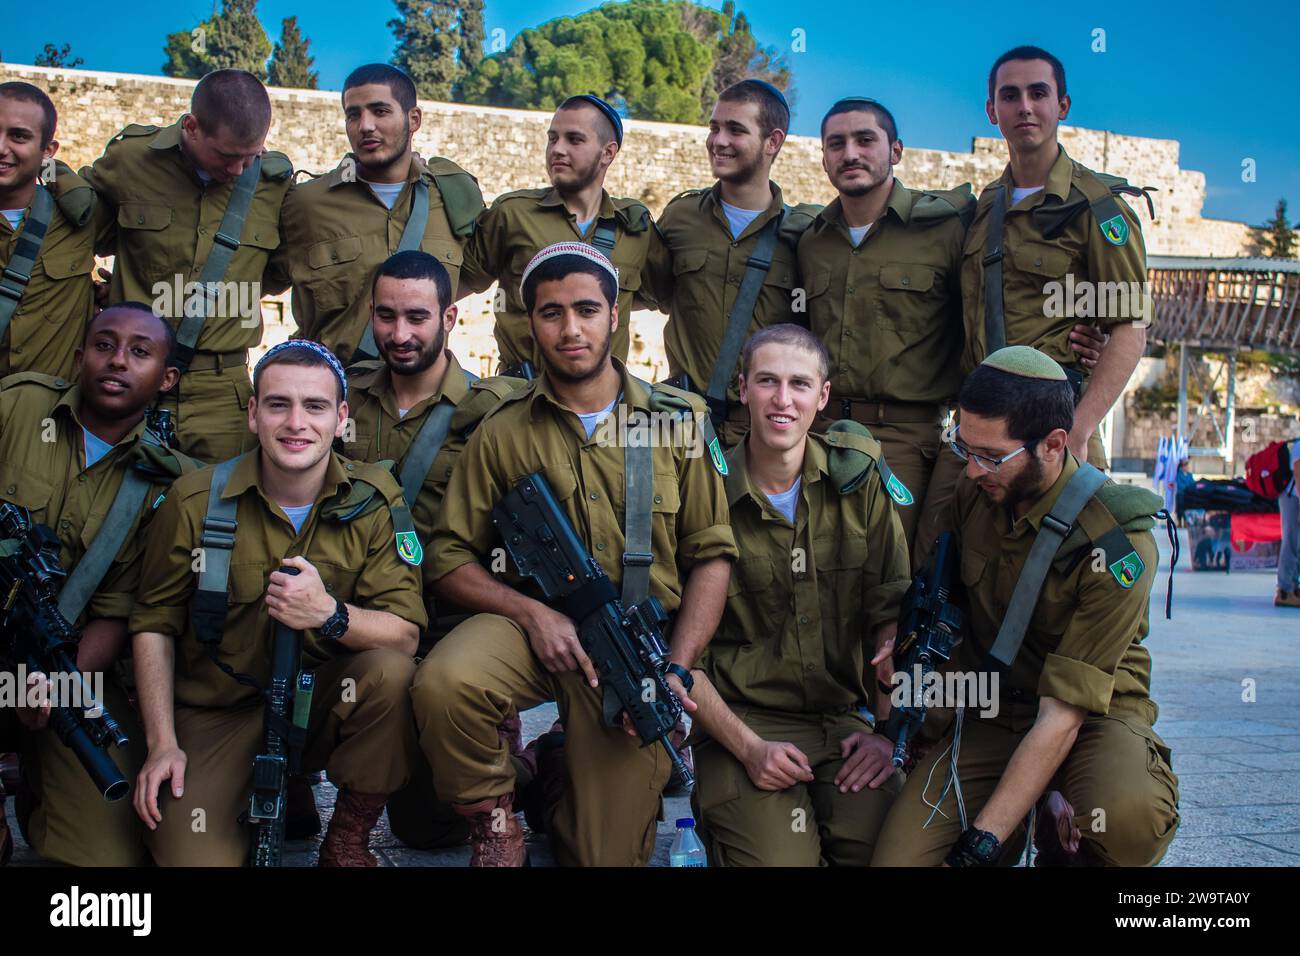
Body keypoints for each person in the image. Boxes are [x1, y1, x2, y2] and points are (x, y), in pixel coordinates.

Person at [410, 242, 737, 866]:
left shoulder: (679, 421)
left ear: (617, 316)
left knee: (599, 857)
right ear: (530, 322)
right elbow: (448, 554)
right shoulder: (503, 429)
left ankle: (558, 770)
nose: (570, 329)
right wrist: (532, 615)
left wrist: (677, 667)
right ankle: (495, 816)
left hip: (635, 652)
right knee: (445, 682)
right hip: (537, 635)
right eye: (550, 312)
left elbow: (711, 557)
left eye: (587, 310)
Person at [872, 346, 1180, 867]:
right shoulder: (979, 491)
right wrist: (913, 704)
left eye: (990, 456)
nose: (971, 471)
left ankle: (1055, 830)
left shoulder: (1117, 545)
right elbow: (945, 610)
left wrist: (980, 844)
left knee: (1125, 821)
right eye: (963, 448)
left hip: (1090, 715)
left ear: (1054, 444)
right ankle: (1031, 808)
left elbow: (1063, 714)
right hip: (994, 708)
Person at [128, 341, 427, 866]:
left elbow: (404, 634)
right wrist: (162, 744)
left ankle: (348, 836)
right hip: (220, 712)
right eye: (277, 404)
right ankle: (241, 805)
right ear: (252, 412)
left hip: (321, 704)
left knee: (391, 673)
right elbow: (153, 623)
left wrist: (329, 614)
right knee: (193, 857)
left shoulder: (375, 500)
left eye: (314, 407)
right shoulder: (194, 501)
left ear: (339, 419)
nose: (295, 423)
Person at [687, 323, 910, 866]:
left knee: (898, 853)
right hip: (741, 723)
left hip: (843, 727)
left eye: (799, 384)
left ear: (823, 396)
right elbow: (678, 655)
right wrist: (747, 747)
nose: (782, 400)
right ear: (742, 389)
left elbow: (893, 617)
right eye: (767, 382)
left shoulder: (859, 486)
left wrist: (888, 735)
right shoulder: (704, 492)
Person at [918, 45, 1143, 557]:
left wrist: (1081, 433)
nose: (1025, 107)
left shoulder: (1097, 207)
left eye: (1038, 93)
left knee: (1062, 569)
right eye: (1010, 95)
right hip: (974, 431)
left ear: (1062, 105)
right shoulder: (981, 208)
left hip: (1053, 430)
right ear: (991, 110)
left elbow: (1129, 328)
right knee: (935, 563)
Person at [339, 249, 523, 849]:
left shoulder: (492, 413)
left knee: (428, 830)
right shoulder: (341, 400)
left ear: (449, 318)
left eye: (417, 317)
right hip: (355, 623)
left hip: (448, 626)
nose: (399, 334)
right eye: (386, 316)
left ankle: (526, 772)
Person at [1, 302, 189, 866]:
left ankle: (42, 792)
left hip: (70, 662)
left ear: (166, 378)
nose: (118, 361)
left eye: (140, 352)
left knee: (107, 857)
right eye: (105, 345)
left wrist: (54, 682)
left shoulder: (171, 485)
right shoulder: (17, 405)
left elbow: (125, 610)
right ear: (80, 355)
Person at [81, 69, 294, 462]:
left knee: (217, 512)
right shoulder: (130, 162)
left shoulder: (273, 184)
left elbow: (275, 271)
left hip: (221, 393)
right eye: (228, 156)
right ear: (192, 127)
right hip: (128, 377)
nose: (238, 170)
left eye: (252, 156)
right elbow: (77, 231)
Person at [797, 96, 971, 557]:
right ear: (824, 158)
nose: (849, 153)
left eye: (864, 140)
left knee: (896, 576)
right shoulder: (811, 240)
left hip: (905, 440)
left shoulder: (946, 230)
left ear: (895, 150)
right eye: (836, 143)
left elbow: (987, 311)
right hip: (820, 432)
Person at [643, 80, 818, 446]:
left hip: (762, 436)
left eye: (735, 130)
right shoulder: (680, 216)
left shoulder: (806, 234)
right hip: (682, 428)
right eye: (714, 128)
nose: (718, 141)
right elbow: (641, 289)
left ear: (773, 141)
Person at [273, 63, 484, 366]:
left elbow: (475, 275)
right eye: (353, 114)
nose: (365, 126)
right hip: (337, 399)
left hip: (422, 402)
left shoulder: (452, 201)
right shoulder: (305, 205)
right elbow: (255, 274)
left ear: (414, 119)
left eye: (380, 111)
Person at [458, 96, 653, 377]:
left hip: (601, 409)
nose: (557, 149)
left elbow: (669, 296)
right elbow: (451, 286)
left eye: (574, 140)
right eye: (553, 139)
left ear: (608, 153)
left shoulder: (635, 229)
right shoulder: (513, 215)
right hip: (522, 400)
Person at [0, 81, 99, 382]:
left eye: (18, 136)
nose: (1, 148)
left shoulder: (82, 217)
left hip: (47, 421)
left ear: (48, 151)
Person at [1275, 436, 1300, 608]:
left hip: (1295, 498)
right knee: (1291, 543)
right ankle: (1284, 591)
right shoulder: (1299, 446)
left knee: (1297, 544)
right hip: (1293, 498)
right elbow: (1298, 475)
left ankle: (1293, 586)